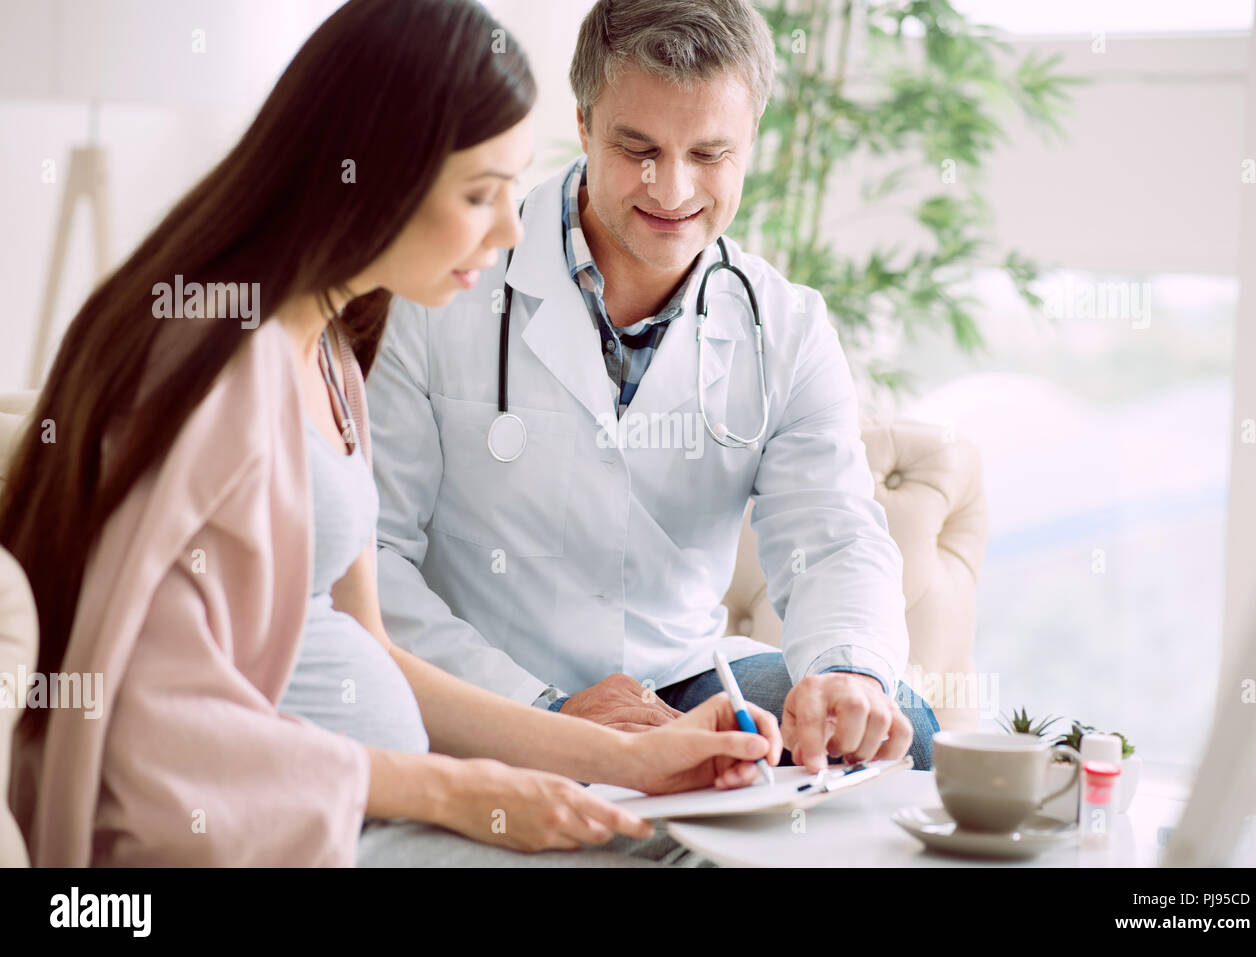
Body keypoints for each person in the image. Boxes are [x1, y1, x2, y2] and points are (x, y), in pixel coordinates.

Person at [0, 0, 781, 868]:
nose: (513, 230)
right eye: (480, 194)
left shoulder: (332, 349)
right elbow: (149, 717)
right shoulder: (212, 368)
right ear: (371, 175)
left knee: (712, 844)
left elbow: (372, 644)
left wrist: (629, 759)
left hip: (373, 803)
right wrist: (457, 792)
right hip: (268, 829)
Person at [368, 0, 940, 774]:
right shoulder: (442, 286)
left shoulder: (787, 326)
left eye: (710, 154)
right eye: (638, 147)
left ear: (751, 143)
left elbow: (832, 535)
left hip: (684, 685)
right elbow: (374, 560)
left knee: (906, 725)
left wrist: (850, 670)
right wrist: (550, 714)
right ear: (583, 124)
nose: (671, 189)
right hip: (493, 693)